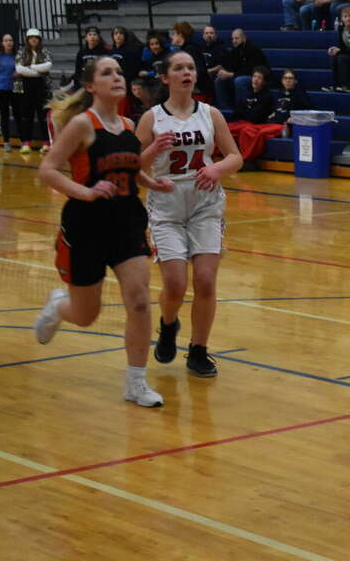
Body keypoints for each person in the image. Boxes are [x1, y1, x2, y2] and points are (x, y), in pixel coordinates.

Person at [33, 57, 175, 407]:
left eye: (119, 73)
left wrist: (153, 182)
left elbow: (130, 169)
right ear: (91, 86)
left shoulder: (129, 124)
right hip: (86, 227)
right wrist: (87, 192)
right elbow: (48, 170)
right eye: (106, 73)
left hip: (127, 223)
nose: (116, 77)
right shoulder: (82, 124)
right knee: (86, 316)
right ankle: (58, 307)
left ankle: (135, 383)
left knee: (140, 301)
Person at [136, 49, 243, 378]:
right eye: (179, 68)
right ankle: (168, 325)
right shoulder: (152, 118)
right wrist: (153, 152)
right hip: (166, 206)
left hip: (206, 205)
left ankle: (198, 349)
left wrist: (216, 171)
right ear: (166, 78)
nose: (187, 73)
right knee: (175, 283)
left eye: (191, 68)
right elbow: (132, 163)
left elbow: (235, 157)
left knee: (206, 281)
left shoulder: (210, 114)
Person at [15, 28, 52, 154]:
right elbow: (19, 69)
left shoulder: (44, 51)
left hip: (42, 87)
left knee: (43, 116)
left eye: (36, 37)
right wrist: (37, 72)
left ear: (39, 39)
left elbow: (48, 65)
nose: (33, 39)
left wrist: (30, 67)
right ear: (27, 39)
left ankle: (46, 143)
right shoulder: (22, 52)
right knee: (27, 115)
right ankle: (26, 143)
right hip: (26, 87)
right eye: (31, 37)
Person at [214, 28, 269, 111]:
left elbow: (250, 70)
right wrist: (223, 71)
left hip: (255, 76)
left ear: (244, 38)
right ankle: (225, 110)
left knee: (239, 81)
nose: (234, 41)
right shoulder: (235, 50)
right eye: (232, 39)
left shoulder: (253, 50)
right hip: (239, 76)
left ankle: (242, 110)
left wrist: (231, 74)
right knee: (219, 80)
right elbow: (229, 65)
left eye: (236, 38)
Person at [0, 33, 16, 149]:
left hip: (16, 88)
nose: (8, 42)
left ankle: (24, 140)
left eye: (10, 40)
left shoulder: (17, 56)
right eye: (6, 40)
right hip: (2, 89)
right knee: (4, 114)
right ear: (2, 43)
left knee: (18, 114)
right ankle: (6, 141)